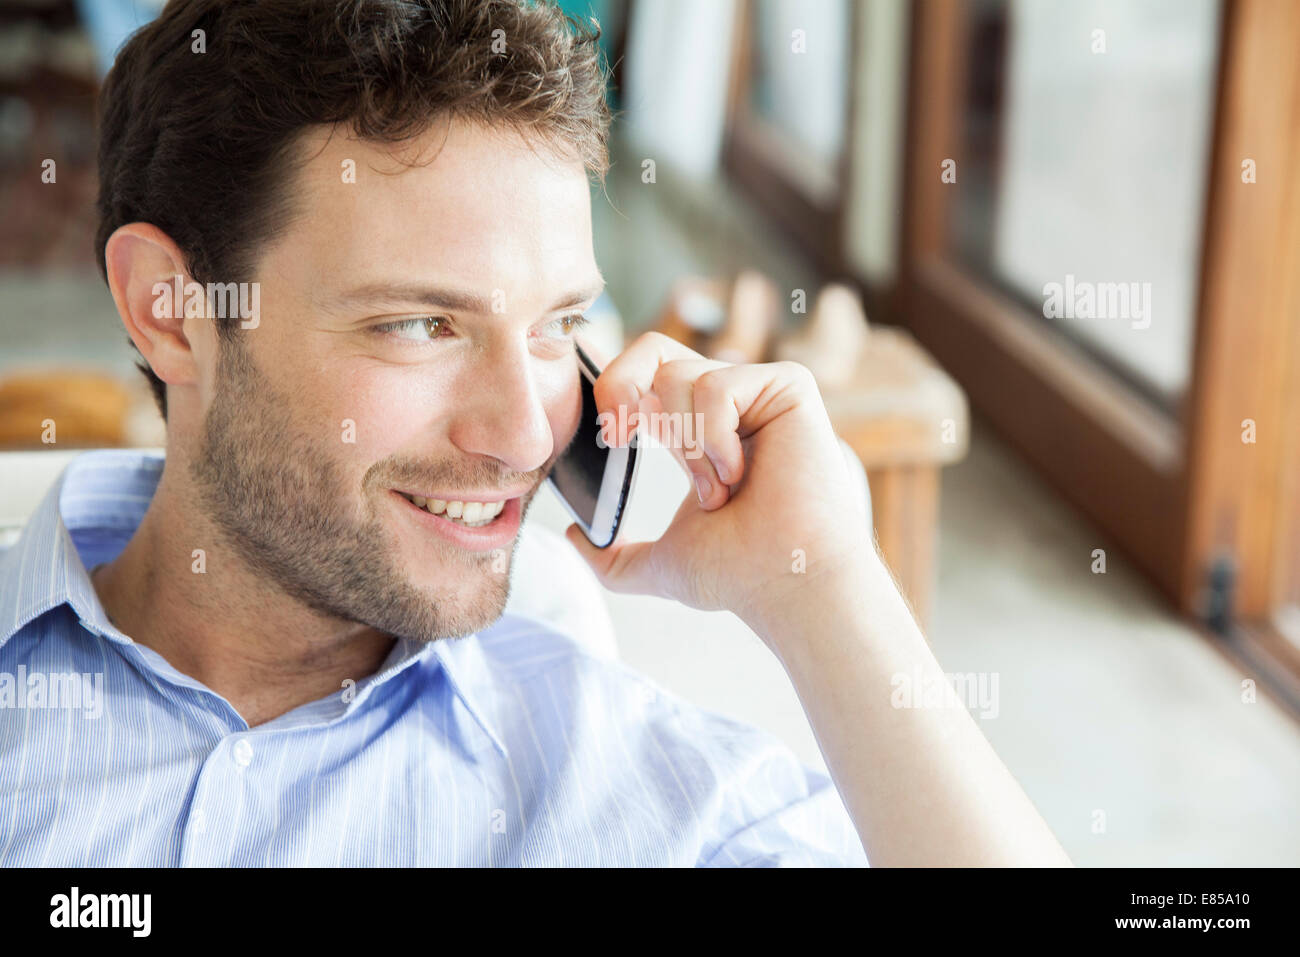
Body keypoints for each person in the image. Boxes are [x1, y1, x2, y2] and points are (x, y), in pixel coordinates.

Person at [0, 0, 1069, 866]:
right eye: (421, 323)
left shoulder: (637, 802)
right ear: (168, 311)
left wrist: (826, 588)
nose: (522, 435)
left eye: (559, 325)